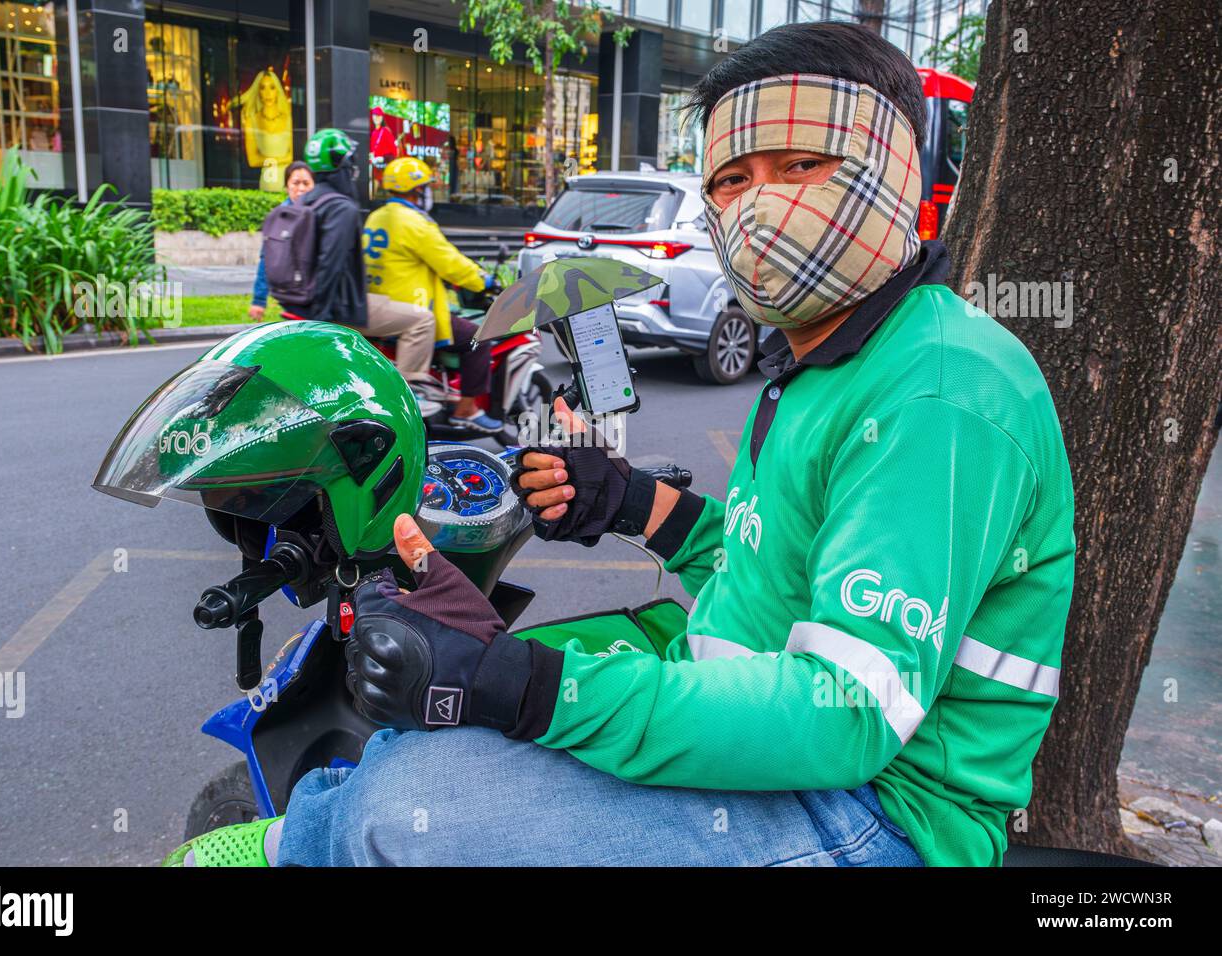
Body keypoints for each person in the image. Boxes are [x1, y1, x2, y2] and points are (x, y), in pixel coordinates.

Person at [168, 23, 1075, 868]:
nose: (759, 207)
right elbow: (774, 568)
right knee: (434, 730)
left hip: (875, 809)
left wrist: (517, 684)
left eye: (801, 164)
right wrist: (638, 505)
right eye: (730, 180)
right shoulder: (830, 357)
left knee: (398, 804)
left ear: (899, 173)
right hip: (757, 706)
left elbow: (841, 713)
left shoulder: (942, 393)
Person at [281, 129, 436, 383]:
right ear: (341, 163)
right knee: (422, 320)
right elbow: (330, 265)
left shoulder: (304, 203)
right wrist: (320, 325)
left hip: (300, 304)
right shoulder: (342, 207)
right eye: (350, 160)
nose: (354, 167)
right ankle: (408, 393)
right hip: (340, 308)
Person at [363, 155, 504, 434]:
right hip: (412, 307)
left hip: (379, 306)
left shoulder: (376, 216)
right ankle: (467, 409)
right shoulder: (414, 222)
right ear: (417, 190)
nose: (428, 193)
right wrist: (485, 281)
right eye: (426, 187)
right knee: (478, 337)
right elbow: (450, 262)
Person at [249, 161, 313, 321]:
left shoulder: (321, 212)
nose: (301, 189)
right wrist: (259, 300)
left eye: (306, 183)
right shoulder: (279, 218)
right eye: (295, 183)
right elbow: (267, 259)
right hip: (292, 296)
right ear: (287, 187)